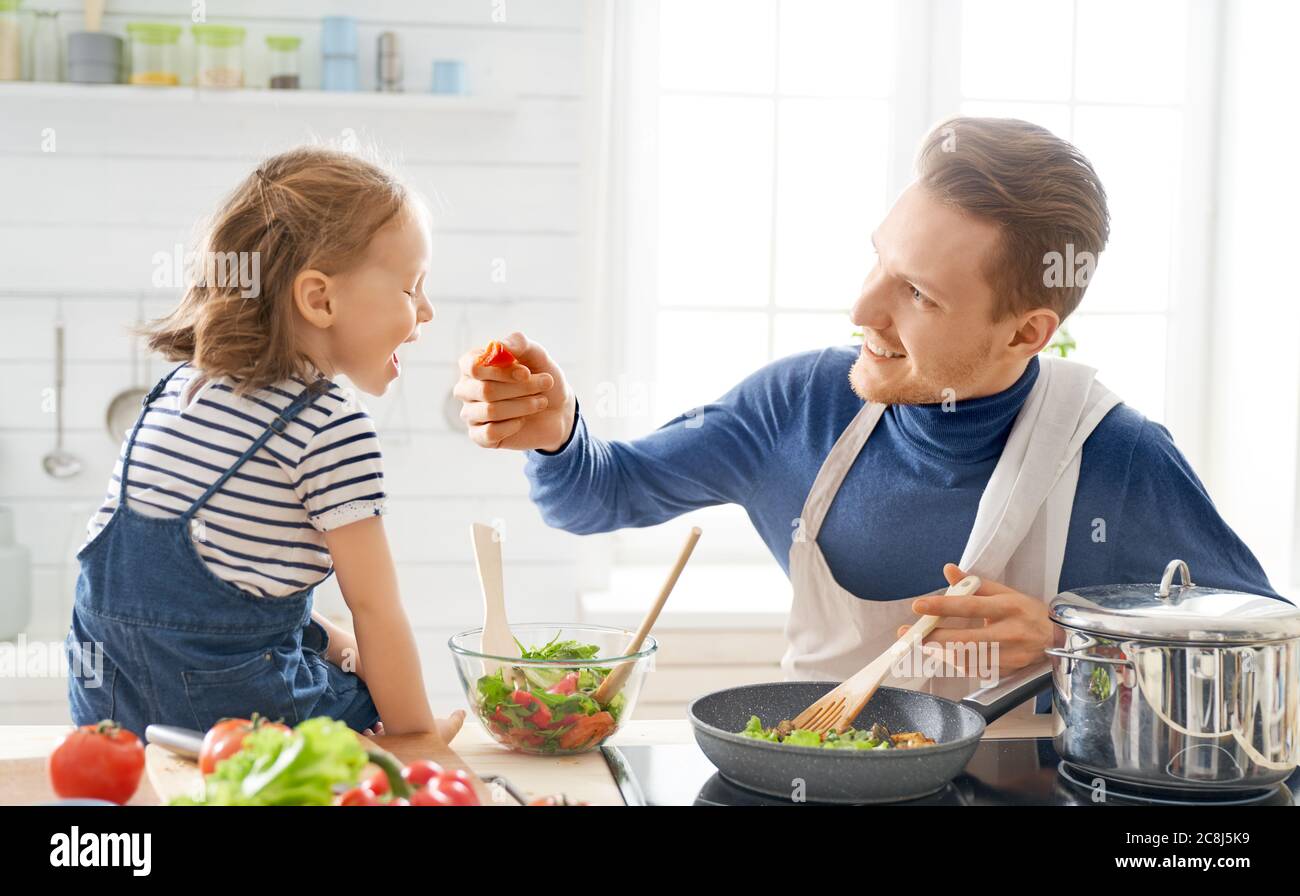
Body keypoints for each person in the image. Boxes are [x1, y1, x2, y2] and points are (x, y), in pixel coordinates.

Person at [452, 117, 1286, 716]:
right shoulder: (800, 406)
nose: (861, 308)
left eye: (916, 293)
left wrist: (1077, 645)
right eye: (879, 260)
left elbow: (1276, 673)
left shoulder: (1119, 456)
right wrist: (555, 429)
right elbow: (593, 497)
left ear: (1028, 332)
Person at [66, 146, 463, 742]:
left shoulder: (182, 386)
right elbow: (377, 613)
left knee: (328, 646)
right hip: (230, 710)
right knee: (363, 702)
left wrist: (330, 642)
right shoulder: (330, 423)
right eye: (413, 289)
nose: (427, 311)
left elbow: (235, 577)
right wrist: (415, 735)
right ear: (320, 299)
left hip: (107, 699)